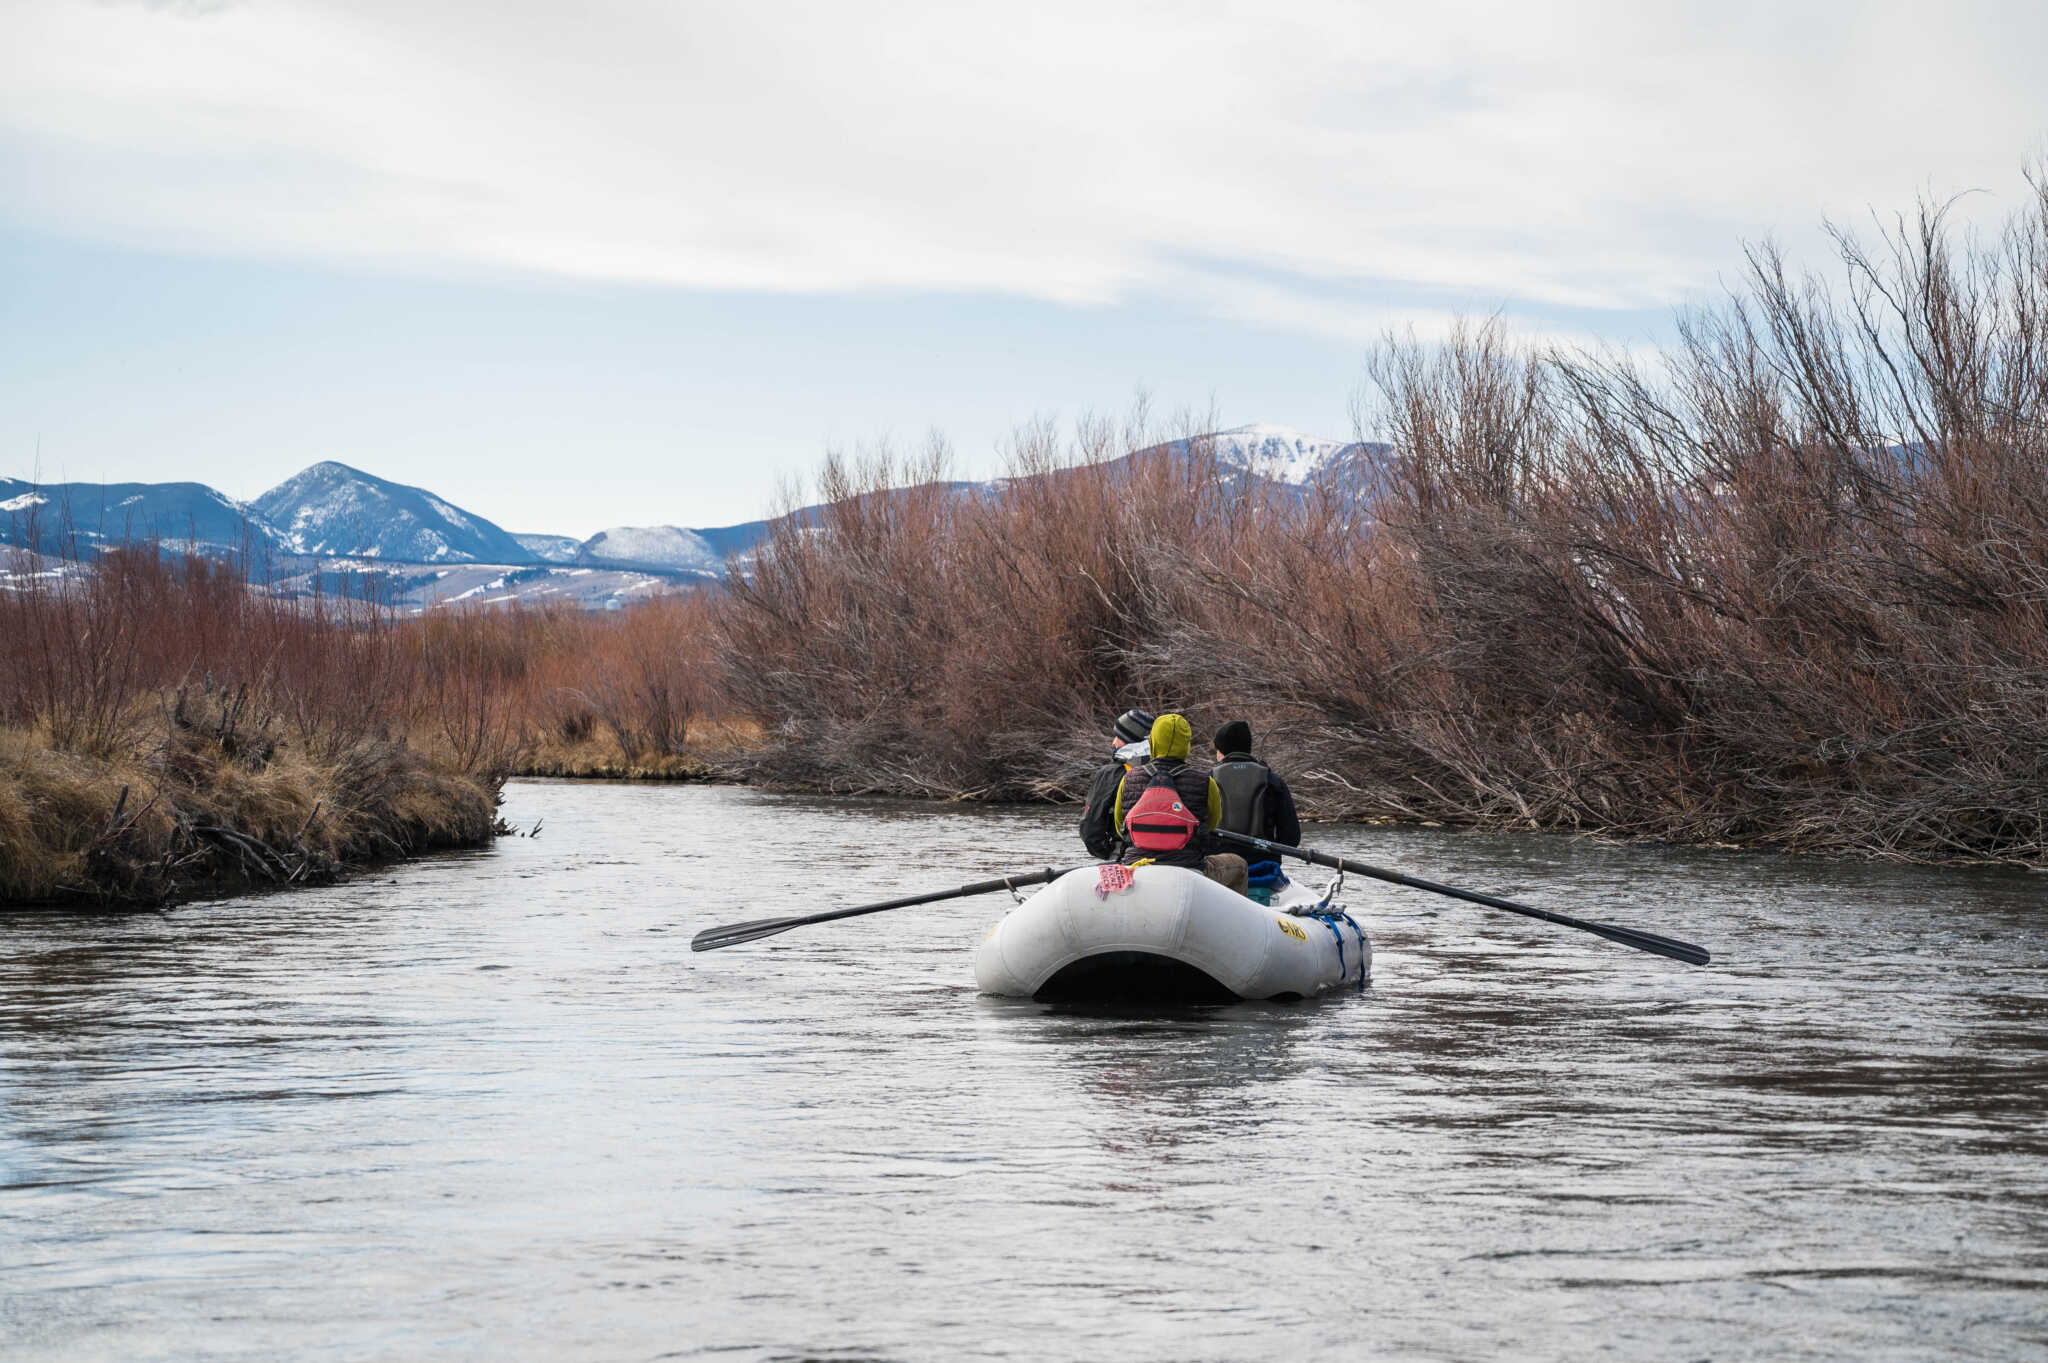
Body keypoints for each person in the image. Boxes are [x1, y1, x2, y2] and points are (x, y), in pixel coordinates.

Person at [1111, 713, 1222, 872]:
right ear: (1186, 745)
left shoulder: (1129, 778)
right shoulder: (1206, 781)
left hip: (1137, 864)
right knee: (1238, 864)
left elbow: (1120, 826)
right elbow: (1212, 824)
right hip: (1187, 866)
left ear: (1153, 741)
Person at [1210, 720, 1302, 903]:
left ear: (1221, 751)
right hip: (1262, 871)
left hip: (1219, 872)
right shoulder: (1274, 781)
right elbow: (1291, 839)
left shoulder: (1207, 780)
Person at [1079, 708, 1155, 859]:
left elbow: (1090, 831)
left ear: (1130, 741)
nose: (1113, 743)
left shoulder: (1111, 773)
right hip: (1172, 857)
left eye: (1118, 737)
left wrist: (1111, 854)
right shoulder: (1171, 769)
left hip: (1125, 856)